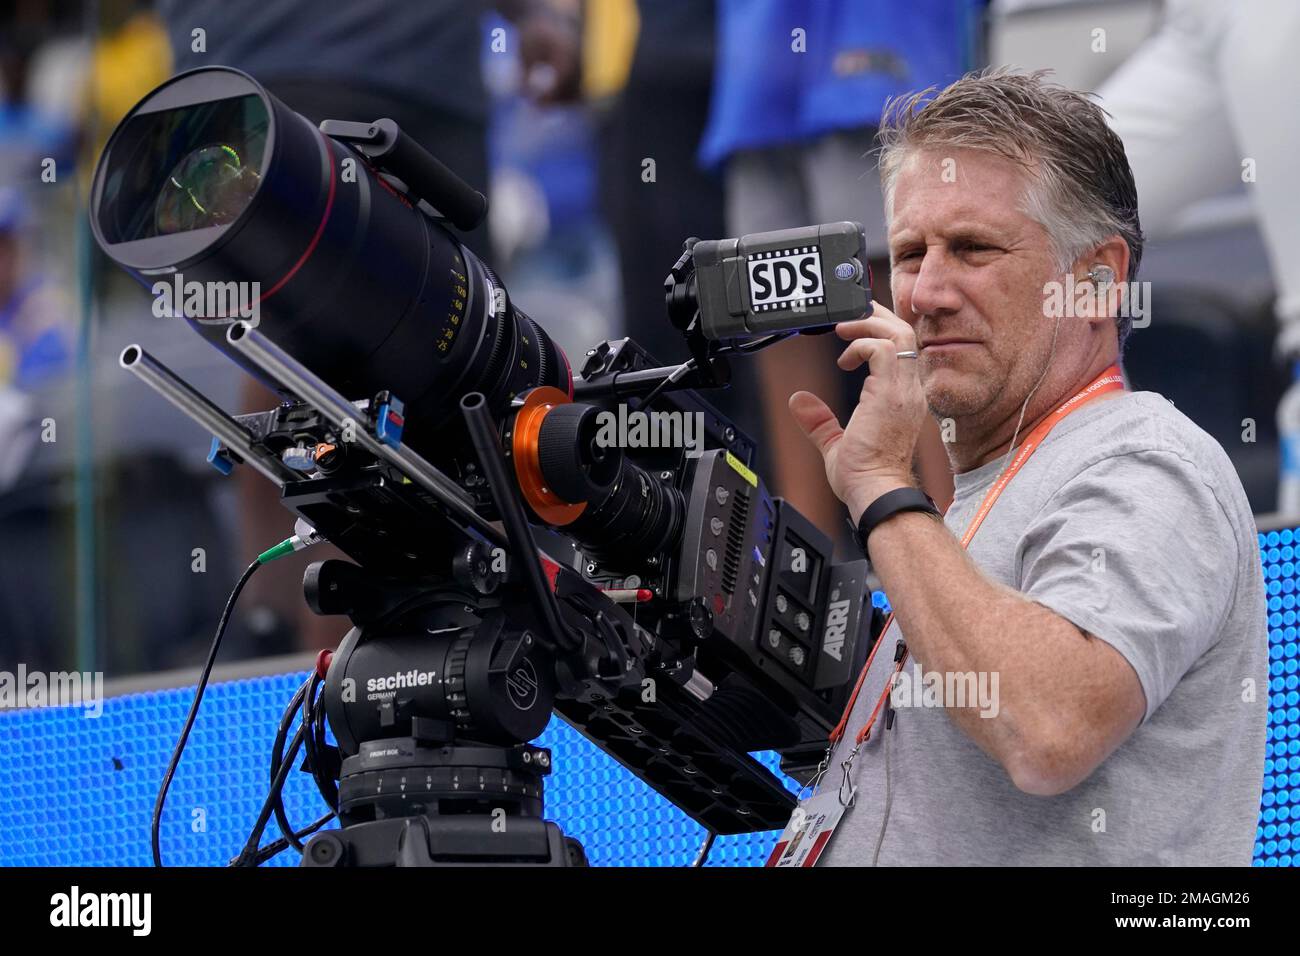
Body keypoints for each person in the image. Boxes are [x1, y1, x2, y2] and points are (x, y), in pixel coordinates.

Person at [784, 68, 1267, 865]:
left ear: (1096, 281)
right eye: (909, 254)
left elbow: (1049, 728)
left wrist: (879, 488)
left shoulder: (1147, 459)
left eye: (972, 249)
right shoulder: (961, 511)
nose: (925, 293)